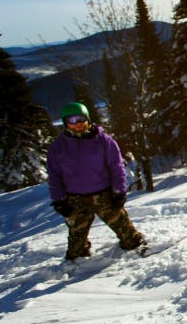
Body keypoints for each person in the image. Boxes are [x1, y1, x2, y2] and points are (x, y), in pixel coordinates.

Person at [47, 102, 146, 260]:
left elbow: (116, 167)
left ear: (87, 119)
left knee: (126, 231)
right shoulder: (57, 148)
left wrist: (119, 191)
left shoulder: (104, 141)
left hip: (103, 194)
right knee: (76, 245)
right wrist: (58, 200)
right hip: (75, 199)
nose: (77, 124)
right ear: (66, 123)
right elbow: (54, 175)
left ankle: (136, 246)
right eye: (72, 121)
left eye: (81, 119)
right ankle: (78, 259)